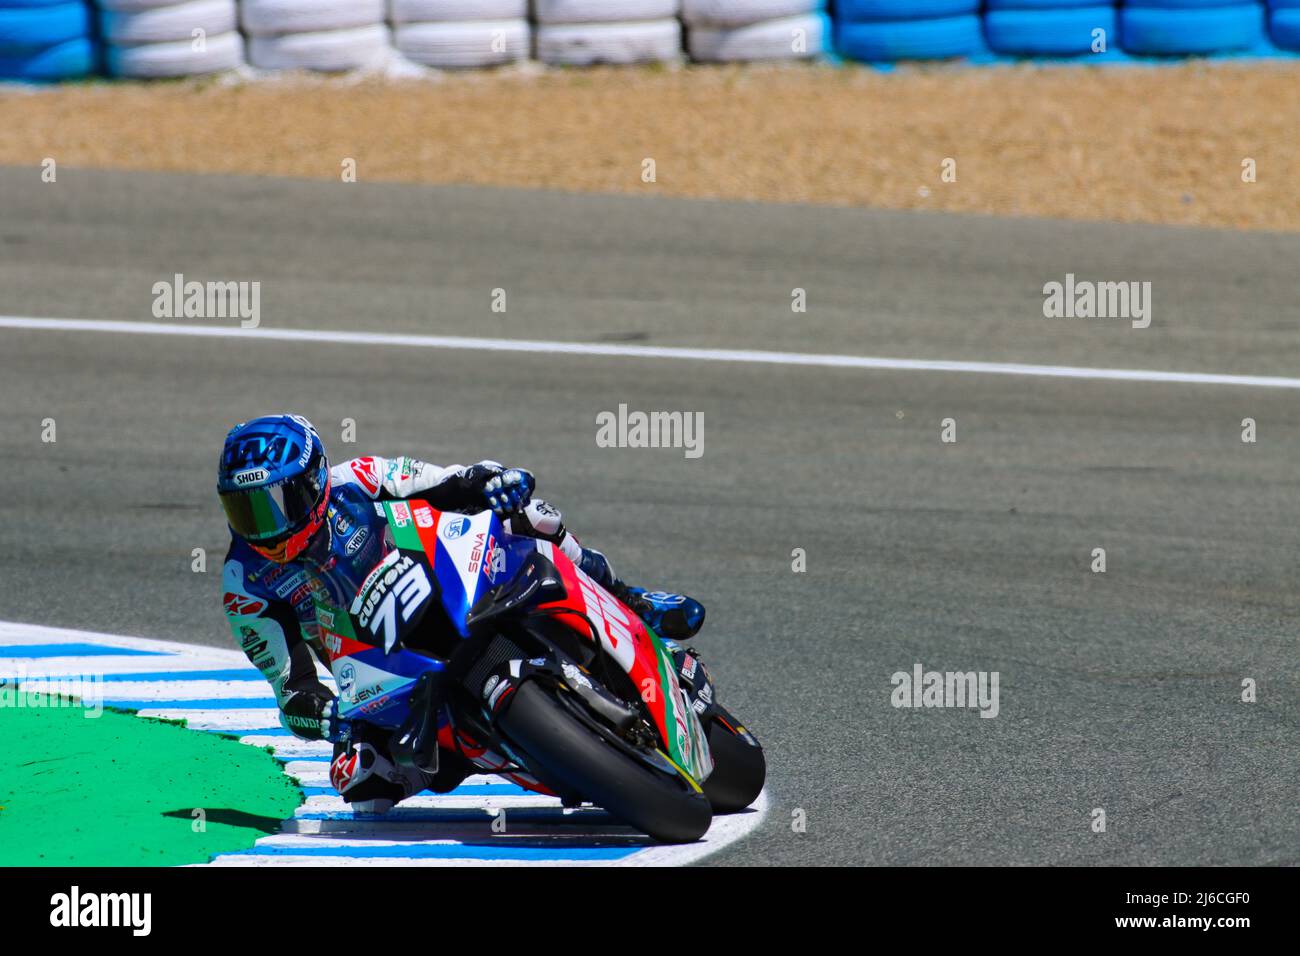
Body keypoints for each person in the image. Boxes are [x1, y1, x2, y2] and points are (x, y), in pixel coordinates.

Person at [217, 413, 704, 811]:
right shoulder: (245, 579)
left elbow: (447, 481)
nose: (265, 529)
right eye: (247, 511)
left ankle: (629, 600)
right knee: (358, 781)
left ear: (315, 481)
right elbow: (291, 688)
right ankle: (494, 754)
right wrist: (326, 719)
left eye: (276, 504)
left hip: (446, 583)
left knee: (532, 516)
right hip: (380, 671)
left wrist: (495, 482)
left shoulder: (357, 481)